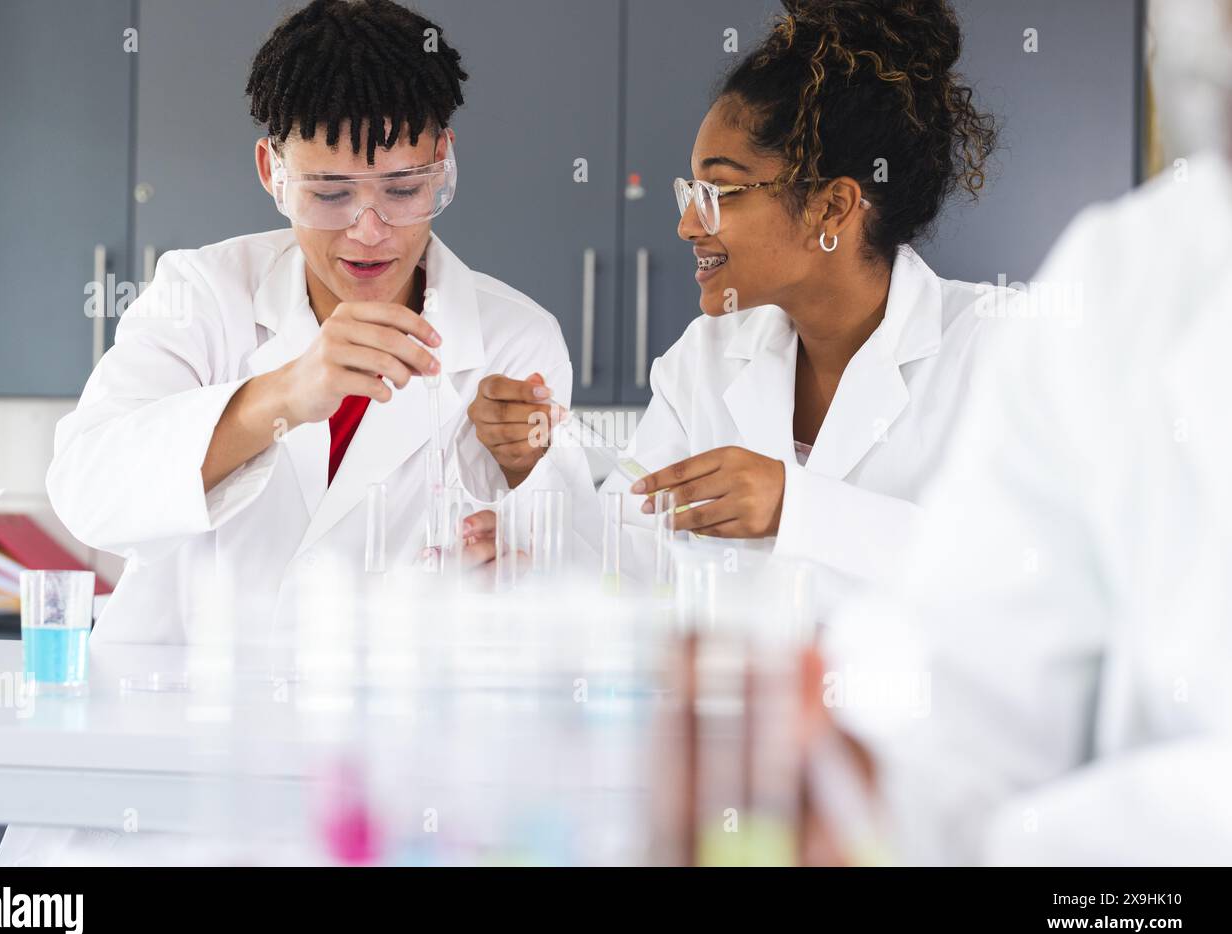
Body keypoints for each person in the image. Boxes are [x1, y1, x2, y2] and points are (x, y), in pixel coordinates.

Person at [805, 0, 1232, 866]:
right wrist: (849, 774)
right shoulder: (1126, 285)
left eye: (721, 189)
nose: (691, 221)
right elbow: (974, 682)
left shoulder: (994, 329)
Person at [44, 0, 583, 649]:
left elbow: (569, 571)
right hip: (179, 711)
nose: (369, 229)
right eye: (330, 194)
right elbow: (87, 494)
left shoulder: (514, 340)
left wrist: (526, 489)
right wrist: (284, 394)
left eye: (404, 189)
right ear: (273, 170)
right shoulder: (203, 293)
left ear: (443, 160)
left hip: (389, 726)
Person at [483, 0, 1008, 590]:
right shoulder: (707, 354)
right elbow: (630, 564)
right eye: (692, 190)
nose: (687, 225)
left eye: (721, 191)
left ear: (831, 207)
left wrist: (799, 509)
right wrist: (538, 477)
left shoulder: (1001, 348)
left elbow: (1028, 572)